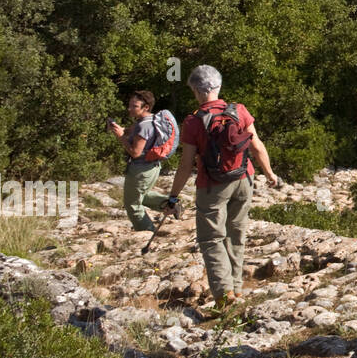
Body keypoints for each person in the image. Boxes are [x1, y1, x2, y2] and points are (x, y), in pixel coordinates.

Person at [166, 65, 279, 311]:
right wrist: (269, 173)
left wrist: (173, 196)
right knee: (236, 234)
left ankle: (224, 295)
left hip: (212, 185)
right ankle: (235, 288)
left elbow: (186, 165)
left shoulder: (193, 121)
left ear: (196, 90)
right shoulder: (239, 111)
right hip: (243, 179)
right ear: (218, 86)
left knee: (211, 239)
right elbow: (256, 145)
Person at [107, 90, 180, 231]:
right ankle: (169, 204)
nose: (130, 108)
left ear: (145, 107)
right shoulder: (151, 119)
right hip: (152, 167)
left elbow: (135, 152)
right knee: (142, 196)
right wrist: (122, 130)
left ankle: (146, 232)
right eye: (130, 105)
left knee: (132, 205)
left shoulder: (143, 125)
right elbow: (133, 131)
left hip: (140, 170)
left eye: (134, 106)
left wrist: (121, 137)